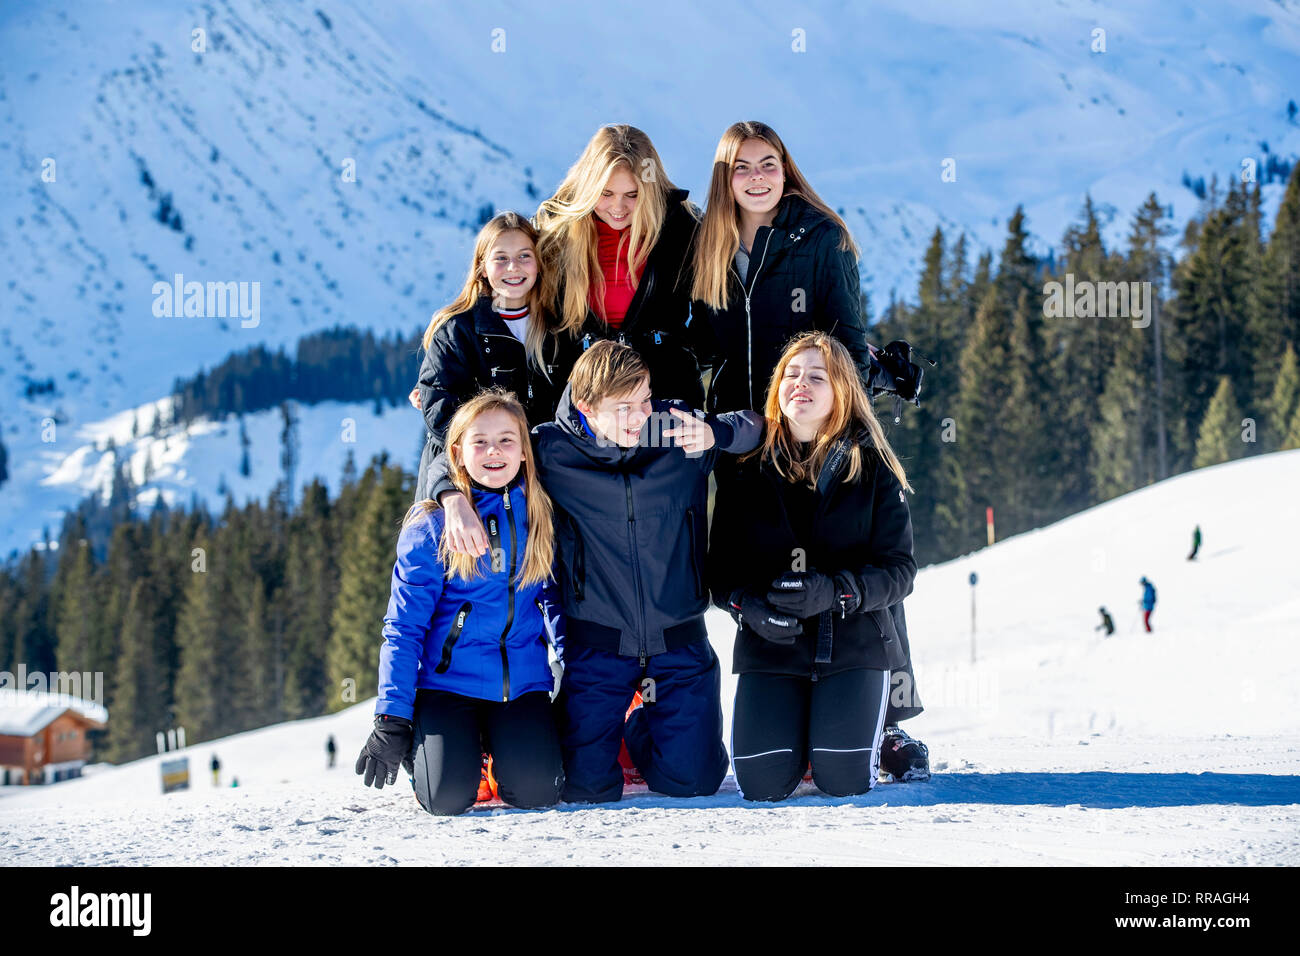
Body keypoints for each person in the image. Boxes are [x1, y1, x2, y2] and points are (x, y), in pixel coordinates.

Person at [690, 120, 930, 782]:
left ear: (787, 168)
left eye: (769, 164)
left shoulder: (820, 238)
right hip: (747, 436)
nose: (757, 177)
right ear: (725, 177)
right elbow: (696, 342)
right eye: (742, 167)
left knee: (854, 553)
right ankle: (788, 704)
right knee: (762, 562)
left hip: (821, 419)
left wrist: (855, 384)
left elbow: (846, 336)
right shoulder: (708, 243)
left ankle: (889, 725)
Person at [432, 341, 762, 803]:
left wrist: (717, 433)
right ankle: (615, 722)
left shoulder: (677, 431)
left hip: (679, 640)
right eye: (624, 407)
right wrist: (450, 496)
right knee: (586, 788)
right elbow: (465, 455)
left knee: (693, 782)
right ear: (586, 407)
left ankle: (640, 724)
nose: (641, 416)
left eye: (645, 400)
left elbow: (757, 428)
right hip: (597, 644)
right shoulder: (550, 450)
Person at [708, 333, 916, 800]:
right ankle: (805, 736)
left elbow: (900, 570)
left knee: (841, 780)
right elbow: (720, 571)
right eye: (792, 374)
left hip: (854, 645)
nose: (800, 384)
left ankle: (873, 734)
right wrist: (748, 608)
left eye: (817, 377)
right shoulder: (744, 470)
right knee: (761, 784)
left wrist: (839, 592)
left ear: (841, 391)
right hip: (771, 646)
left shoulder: (873, 466)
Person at [356, 392, 565, 815]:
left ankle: (495, 749)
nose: (494, 452)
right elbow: (403, 628)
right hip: (448, 686)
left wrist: (570, 665)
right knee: (446, 799)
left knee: (538, 792)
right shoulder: (432, 526)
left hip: (520, 686)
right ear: (457, 452)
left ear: (525, 450)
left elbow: (553, 599)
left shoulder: (540, 514)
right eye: (480, 442)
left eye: (507, 440)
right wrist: (392, 717)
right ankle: (448, 749)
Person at [409, 212, 583, 502]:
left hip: (544, 480)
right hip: (472, 483)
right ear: (482, 267)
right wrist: (495, 461)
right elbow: (441, 411)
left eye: (524, 256)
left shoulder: (562, 328)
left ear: (539, 263)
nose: (513, 267)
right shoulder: (457, 330)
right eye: (500, 258)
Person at [535, 124, 706, 408]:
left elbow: (712, 308)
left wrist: (682, 352)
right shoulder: (555, 232)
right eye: (606, 193)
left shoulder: (681, 229)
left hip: (663, 394)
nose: (619, 207)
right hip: (583, 398)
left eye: (633, 194)